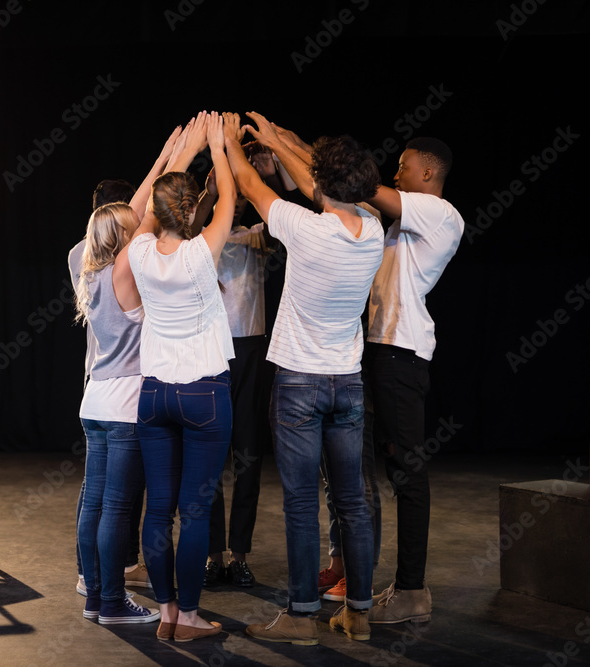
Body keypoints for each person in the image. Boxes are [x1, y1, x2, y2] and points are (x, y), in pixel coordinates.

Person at [226, 111, 383, 645]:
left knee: (300, 502)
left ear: (319, 186)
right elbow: (321, 185)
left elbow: (249, 183)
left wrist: (230, 140)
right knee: (352, 502)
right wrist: (276, 140)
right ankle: (357, 613)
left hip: (299, 383)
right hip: (348, 383)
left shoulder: (305, 227)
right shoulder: (373, 229)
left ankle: (300, 615)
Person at [116, 111, 236, 642]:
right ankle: (187, 616)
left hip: (155, 394)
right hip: (205, 393)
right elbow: (228, 200)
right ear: (191, 212)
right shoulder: (200, 254)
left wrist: (179, 154)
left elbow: (143, 214)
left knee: (158, 509)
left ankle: (165, 612)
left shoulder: (140, 250)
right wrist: (221, 146)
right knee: (196, 510)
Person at [359, 137, 465, 624]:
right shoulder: (406, 224)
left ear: (427, 174)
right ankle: (403, 584)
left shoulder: (440, 214)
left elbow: (363, 186)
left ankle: (412, 590)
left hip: (402, 354)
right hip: (384, 350)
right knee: (395, 469)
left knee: (409, 472)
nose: (394, 174)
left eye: (402, 168)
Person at [194, 143, 293, 589]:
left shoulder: (255, 234)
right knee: (210, 459)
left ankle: (240, 554)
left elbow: (278, 227)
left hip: (251, 351)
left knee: (248, 455)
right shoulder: (200, 241)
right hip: (210, 352)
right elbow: (189, 224)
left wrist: (265, 179)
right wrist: (212, 192)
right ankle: (213, 554)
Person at [74, 201, 160, 624]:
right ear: (124, 236)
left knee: (95, 505)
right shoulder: (124, 270)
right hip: (125, 406)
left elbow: (137, 213)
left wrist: (167, 155)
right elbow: (149, 215)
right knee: (117, 509)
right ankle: (110, 601)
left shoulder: (87, 272)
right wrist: (179, 157)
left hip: (94, 403)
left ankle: (95, 597)